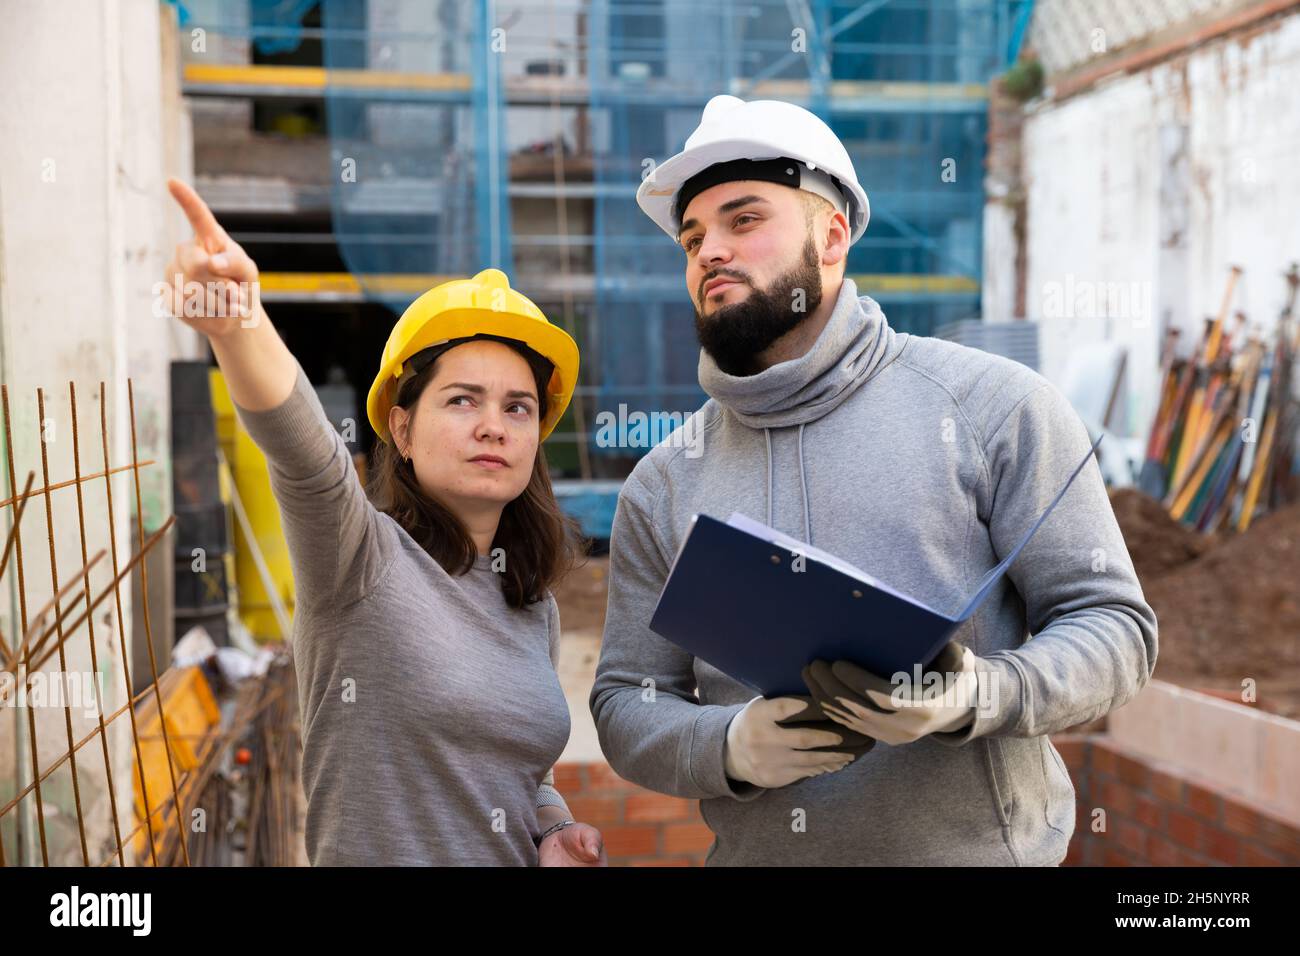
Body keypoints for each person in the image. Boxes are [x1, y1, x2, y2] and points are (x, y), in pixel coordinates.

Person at [590, 95, 1158, 865]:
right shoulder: (661, 484)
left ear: (830, 238)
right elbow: (626, 699)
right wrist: (727, 746)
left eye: (744, 219)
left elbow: (1115, 628)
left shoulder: (996, 408)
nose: (708, 252)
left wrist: (977, 695)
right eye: (692, 238)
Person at [162, 179, 605, 866]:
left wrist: (554, 830)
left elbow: (528, 775)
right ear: (401, 426)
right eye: (463, 400)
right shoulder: (360, 560)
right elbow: (304, 452)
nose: (494, 425)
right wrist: (238, 321)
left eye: (518, 408)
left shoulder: (531, 604)